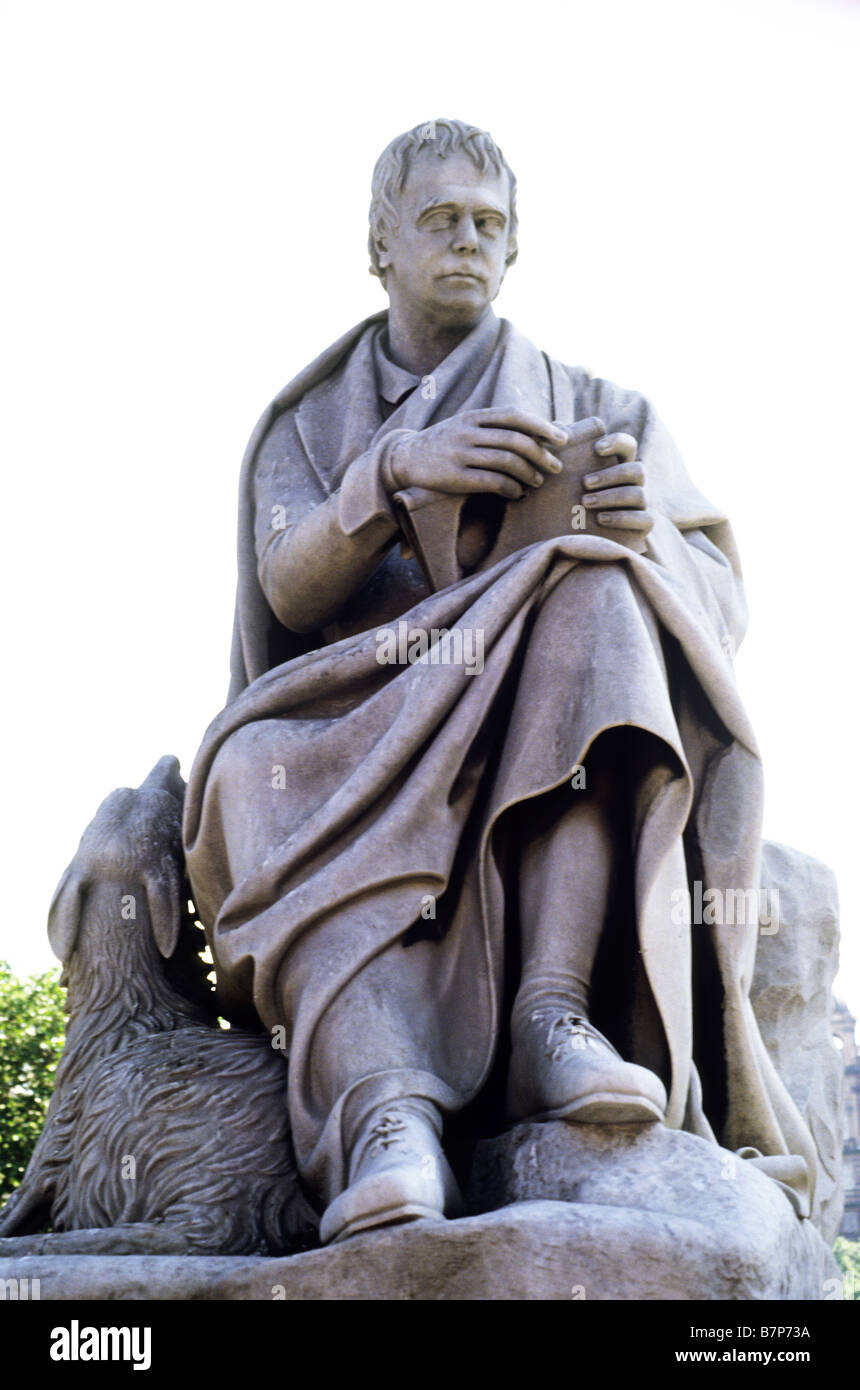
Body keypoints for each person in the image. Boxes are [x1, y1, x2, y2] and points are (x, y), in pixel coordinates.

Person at [183, 119, 818, 1245]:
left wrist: (644, 541)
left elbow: (718, 606)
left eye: (489, 224)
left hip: (529, 703)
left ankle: (552, 1014)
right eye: (439, 220)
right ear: (379, 244)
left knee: (600, 597)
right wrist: (388, 476)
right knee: (247, 769)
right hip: (354, 711)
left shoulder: (598, 406)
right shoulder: (308, 421)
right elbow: (286, 588)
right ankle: (385, 1115)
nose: (468, 242)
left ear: (515, 245)